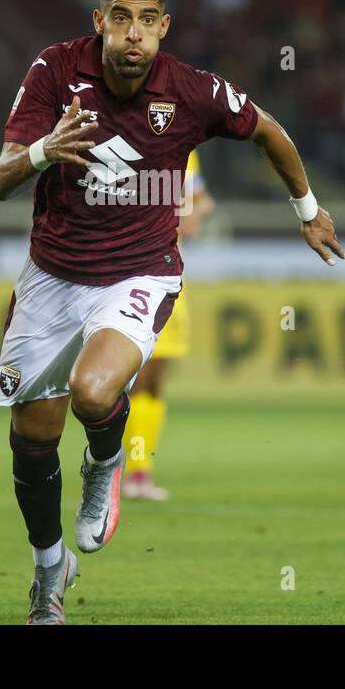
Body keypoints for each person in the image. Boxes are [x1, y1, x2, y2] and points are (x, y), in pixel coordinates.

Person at [0, 0, 344, 623]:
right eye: (120, 16)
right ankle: (47, 571)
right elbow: (1, 176)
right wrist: (43, 150)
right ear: (100, 19)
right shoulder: (54, 71)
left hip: (139, 271)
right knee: (31, 441)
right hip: (52, 276)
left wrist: (307, 209)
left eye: (147, 21)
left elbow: (269, 129)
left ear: (163, 27)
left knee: (95, 391)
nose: (133, 33)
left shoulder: (191, 89)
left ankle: (106, 463)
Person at [120, 148, 214, 501]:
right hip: (124, 276)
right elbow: (193, 212)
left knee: (155, 380)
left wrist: (197, 208)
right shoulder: (123, 140)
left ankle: (139, 470)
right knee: (132, 380)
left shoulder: (185, 147)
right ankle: (124, 468)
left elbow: (199, 204)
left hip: (166, 276)